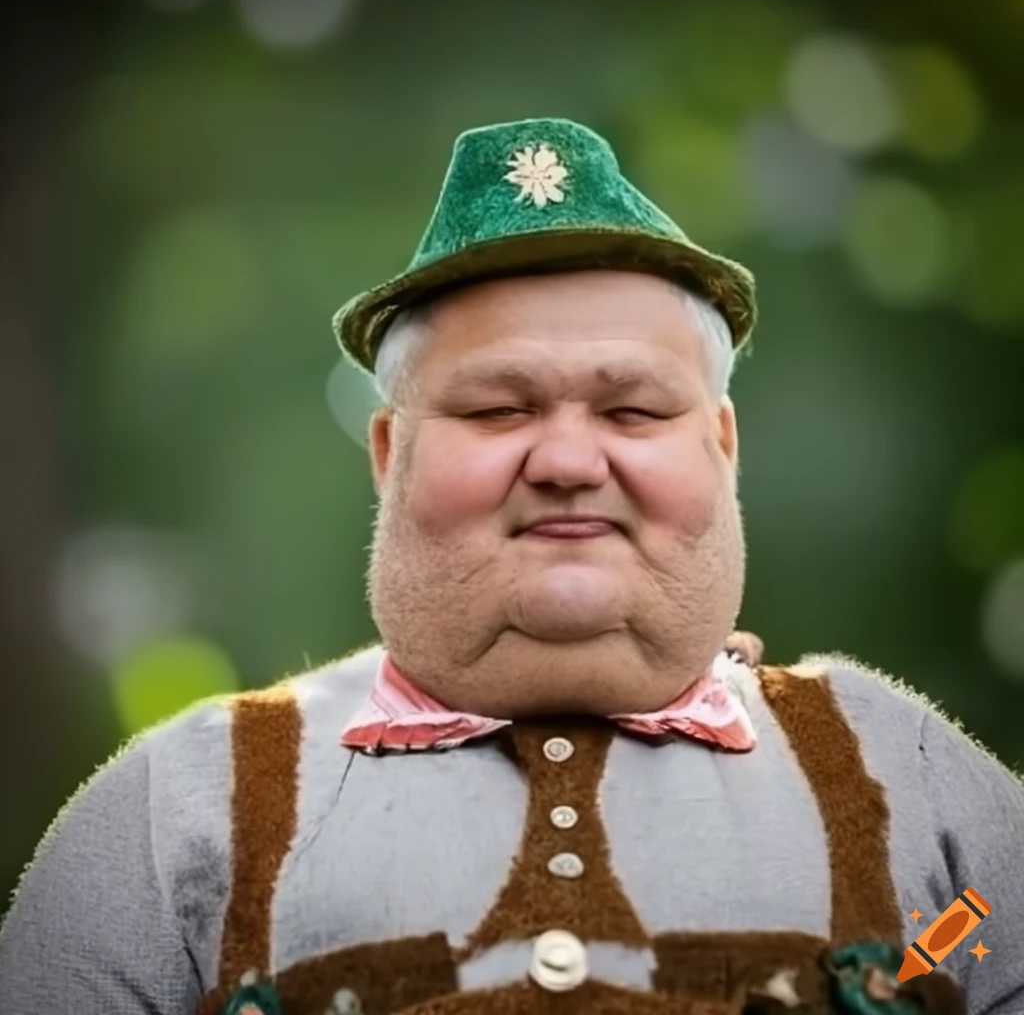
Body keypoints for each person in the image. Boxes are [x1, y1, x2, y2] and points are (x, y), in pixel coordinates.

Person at [1, 117, 1021, 1015]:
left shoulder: (919, 785)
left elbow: (986, 947)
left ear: (722, 446)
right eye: (498, 409)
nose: (570, 461)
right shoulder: (172, 816)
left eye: (633, 410)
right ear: (391, 455)